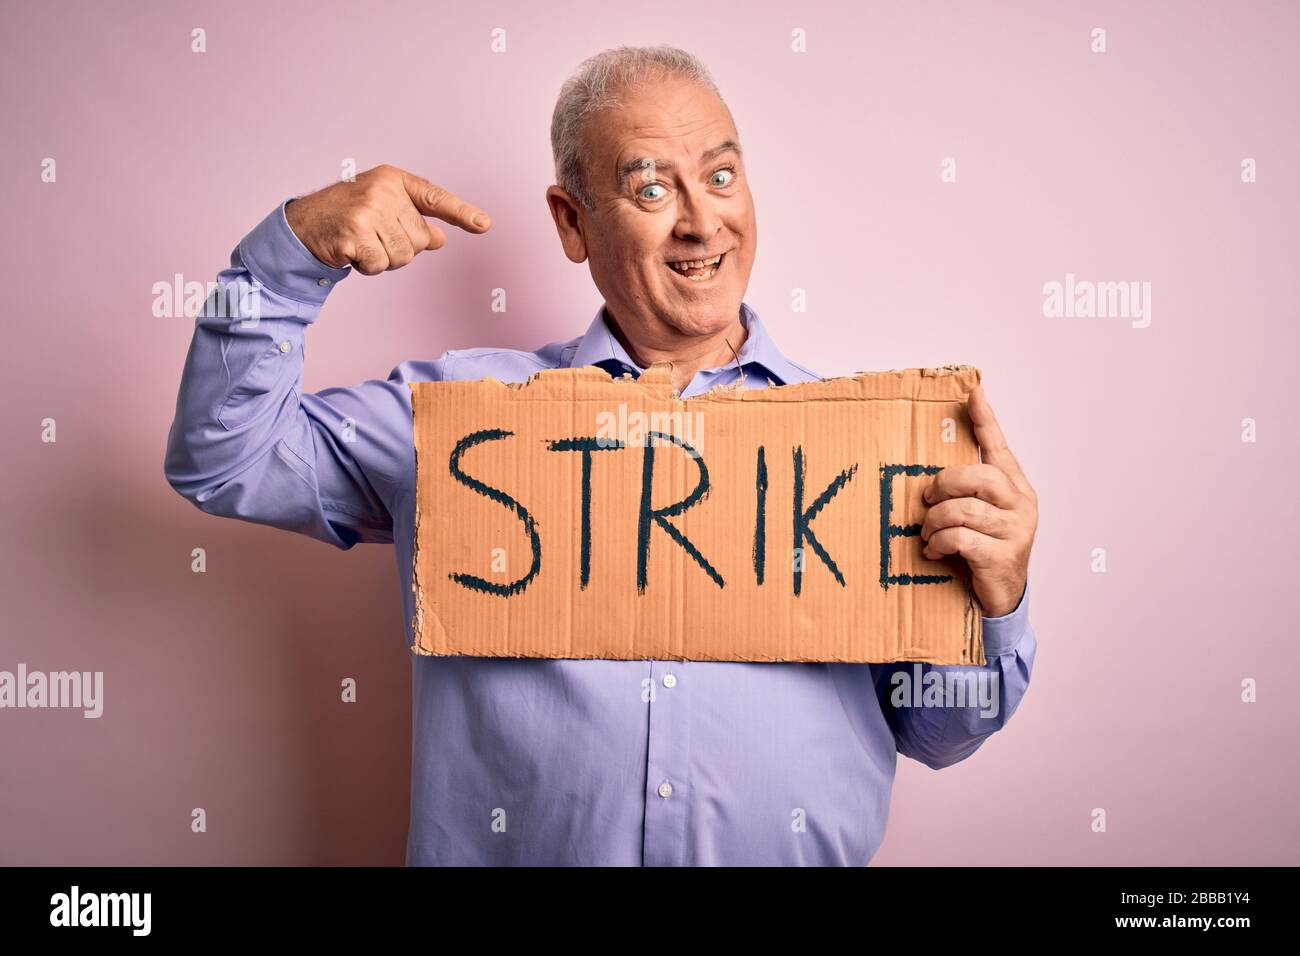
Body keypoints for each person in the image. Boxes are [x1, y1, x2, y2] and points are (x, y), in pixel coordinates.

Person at [165, 45, 1039, 865]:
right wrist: (289, 255)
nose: (703, 223)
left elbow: (939, 733)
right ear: (571, 221)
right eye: (652, 189)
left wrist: (998, 606)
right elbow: (224, 458)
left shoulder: (872, 446)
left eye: (721, 177)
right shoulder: (457, 422)